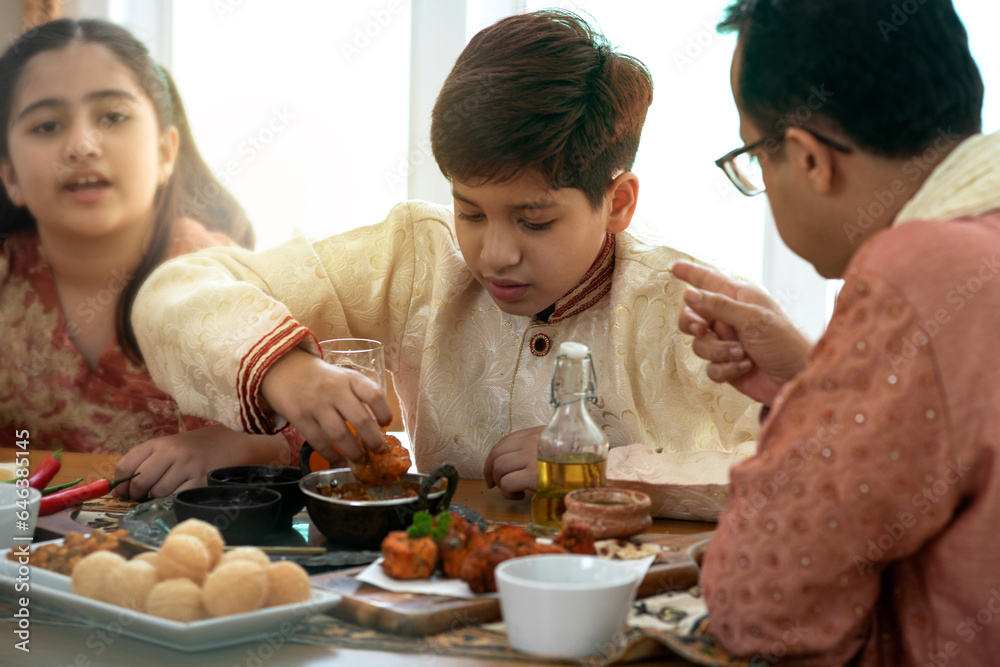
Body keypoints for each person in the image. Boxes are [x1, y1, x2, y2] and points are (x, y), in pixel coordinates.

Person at [131, 10, 760, 503]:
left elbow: (794, 463)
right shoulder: (414, 259)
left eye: (534, 221)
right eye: (471, 212)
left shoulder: (689, 308)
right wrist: (285, 372)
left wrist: (601, 467)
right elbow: (176, 292)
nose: (494, 254)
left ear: (618, 202)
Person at [674, 0, 1000, 664]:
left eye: (752, 154)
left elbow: (760, 599)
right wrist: (811, 376)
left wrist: (809, 406)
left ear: (808, 159)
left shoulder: (916, 272)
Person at [0, 19, 301, 500]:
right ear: (11, 175)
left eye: (112, 117)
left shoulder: (225, 283)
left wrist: (239, 446)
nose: (82, 146)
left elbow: (314, 434)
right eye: (48, 125)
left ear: (165, 153)